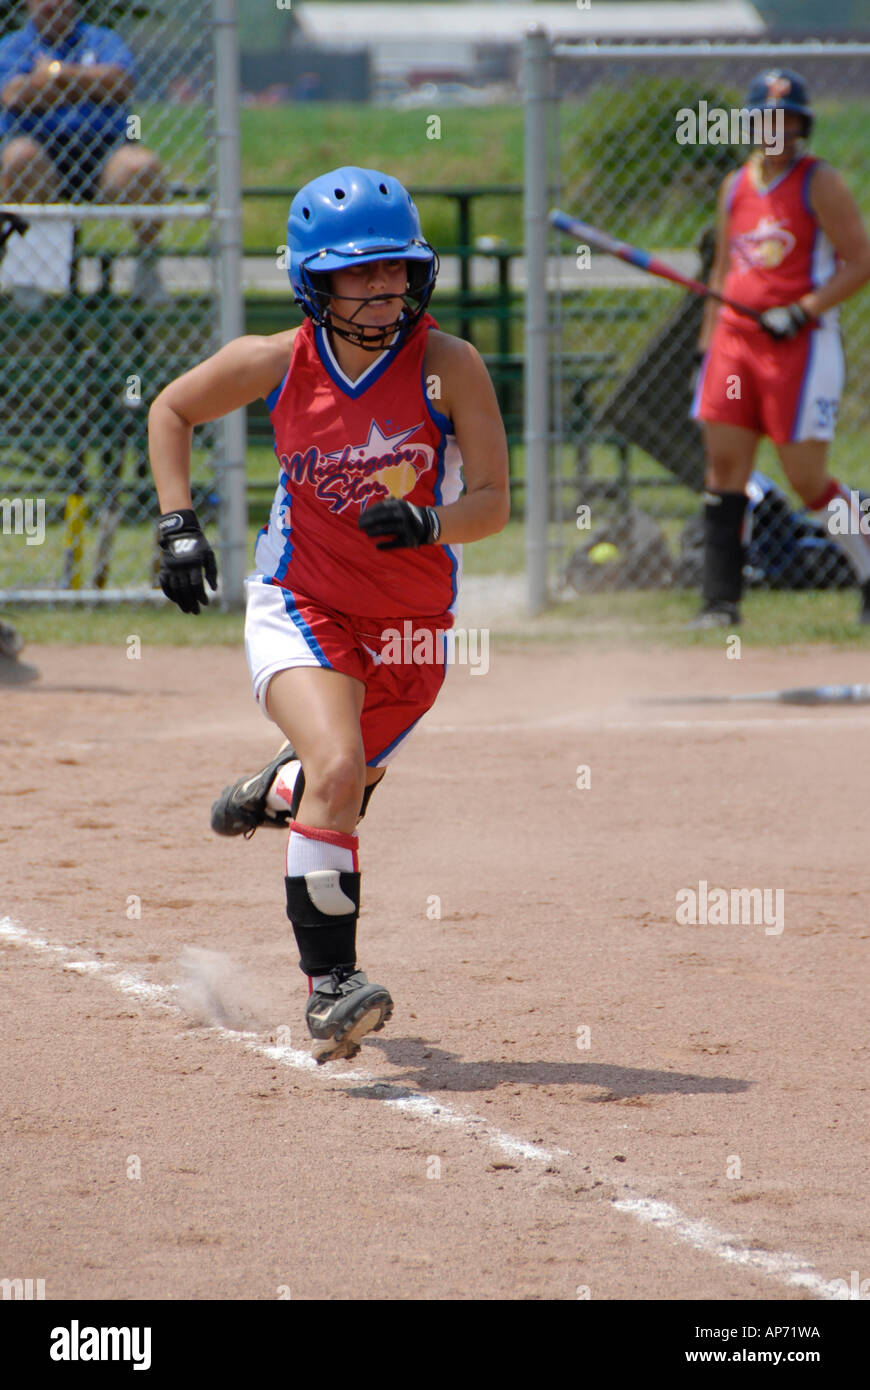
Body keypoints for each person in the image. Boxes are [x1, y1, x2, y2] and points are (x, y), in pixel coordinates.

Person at [148, 167, 510, 1062]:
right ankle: (333, 988)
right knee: (340, 770)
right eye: (361, 272)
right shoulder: (281, 362)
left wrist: (431, 519)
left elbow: (496, 502)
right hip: (301, 600)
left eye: (398, 268)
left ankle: (278, 789)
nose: (387, 287)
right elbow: (173, 408)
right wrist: (177, 526)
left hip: (412, 625)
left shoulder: (446, 364)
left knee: (339, 792)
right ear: (316, 281)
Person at [690, 69, 870, 627]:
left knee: (806, 478)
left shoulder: (819, 182)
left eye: (788, 120)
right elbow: (722, 273)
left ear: (801, 126)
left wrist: (802, 310)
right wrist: (705, 350)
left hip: (799, 347)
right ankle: (720, 603)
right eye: (766, 119)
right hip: (734, 345)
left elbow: (860, 261)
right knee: (725, 469)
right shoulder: (735, 186)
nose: (777, 130)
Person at [0, 0, 167, 301]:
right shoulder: (12, 44)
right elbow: (14, 95)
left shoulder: (102, 39)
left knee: (140, 165)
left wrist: (55, 74)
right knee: (19, 156)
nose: (55, 4)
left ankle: (147, 267)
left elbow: (120, 84)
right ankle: (29, 282)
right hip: (40, 150)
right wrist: (88, 85)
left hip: (104, 150)